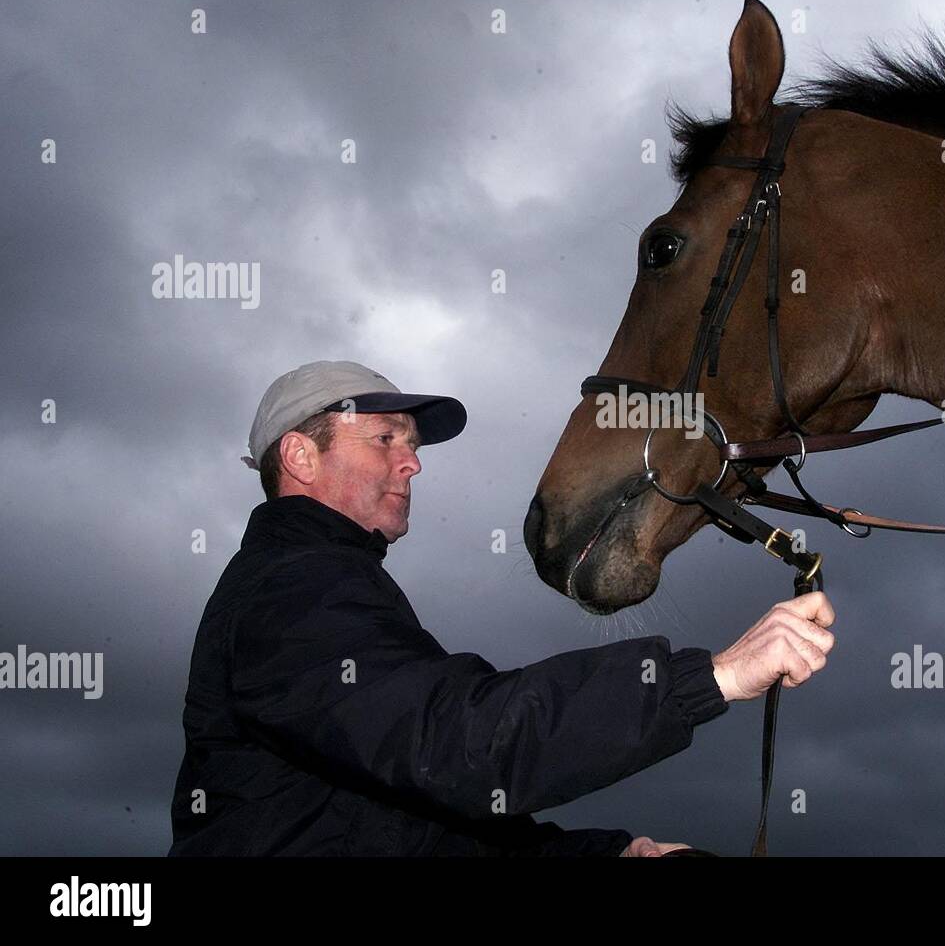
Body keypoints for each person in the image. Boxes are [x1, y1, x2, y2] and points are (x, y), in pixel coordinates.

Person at [168, 360, 836, 856]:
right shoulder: (291, 589)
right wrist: (711, 677)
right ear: (299, 456)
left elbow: (424, 824)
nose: (413, 465)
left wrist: (609, 855)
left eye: (413, 445)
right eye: (385, 440)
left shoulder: (322, 582)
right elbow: (461, 743)